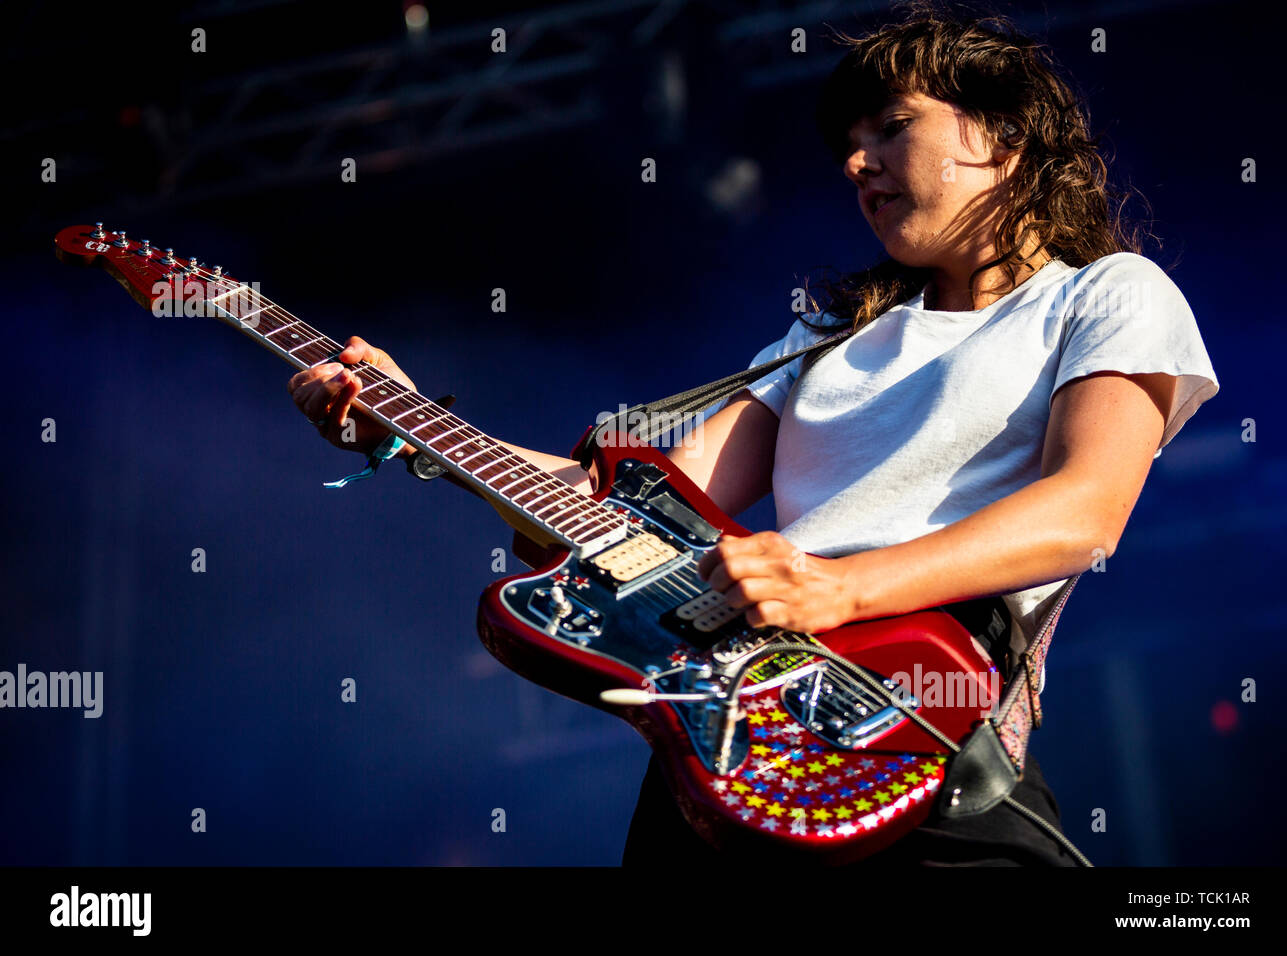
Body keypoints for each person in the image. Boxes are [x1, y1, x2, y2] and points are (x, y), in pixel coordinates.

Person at [286, 2, 1219, 866]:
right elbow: (632, 509)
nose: (857, 165)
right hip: (730, 736)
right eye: (848, 146)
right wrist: (414, 428)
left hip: (908, 733)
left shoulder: (1105, 294)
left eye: (892, 128)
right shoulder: (832, 331)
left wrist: (837, 587)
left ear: (1005, 138)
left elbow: (1084, 512)